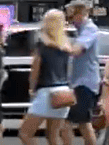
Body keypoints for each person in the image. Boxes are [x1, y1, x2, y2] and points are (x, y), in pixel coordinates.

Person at [20, 10, 75, 145]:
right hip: (63, 92)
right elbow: (69, 71)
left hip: (46, 92)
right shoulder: (66, 47)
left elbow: (35, 70)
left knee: (25, 133)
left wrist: (32, 89)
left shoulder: (42, 45)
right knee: (53, 136)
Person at [63, 0, 101, 145]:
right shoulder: (80, 29)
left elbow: (77, 50)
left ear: (79, 14)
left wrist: (59, 41)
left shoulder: (89, 29)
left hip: (85, 83)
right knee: (83, 123)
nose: (70, 20)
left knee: (69, 122)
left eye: (71, 15)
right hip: (79, 82)